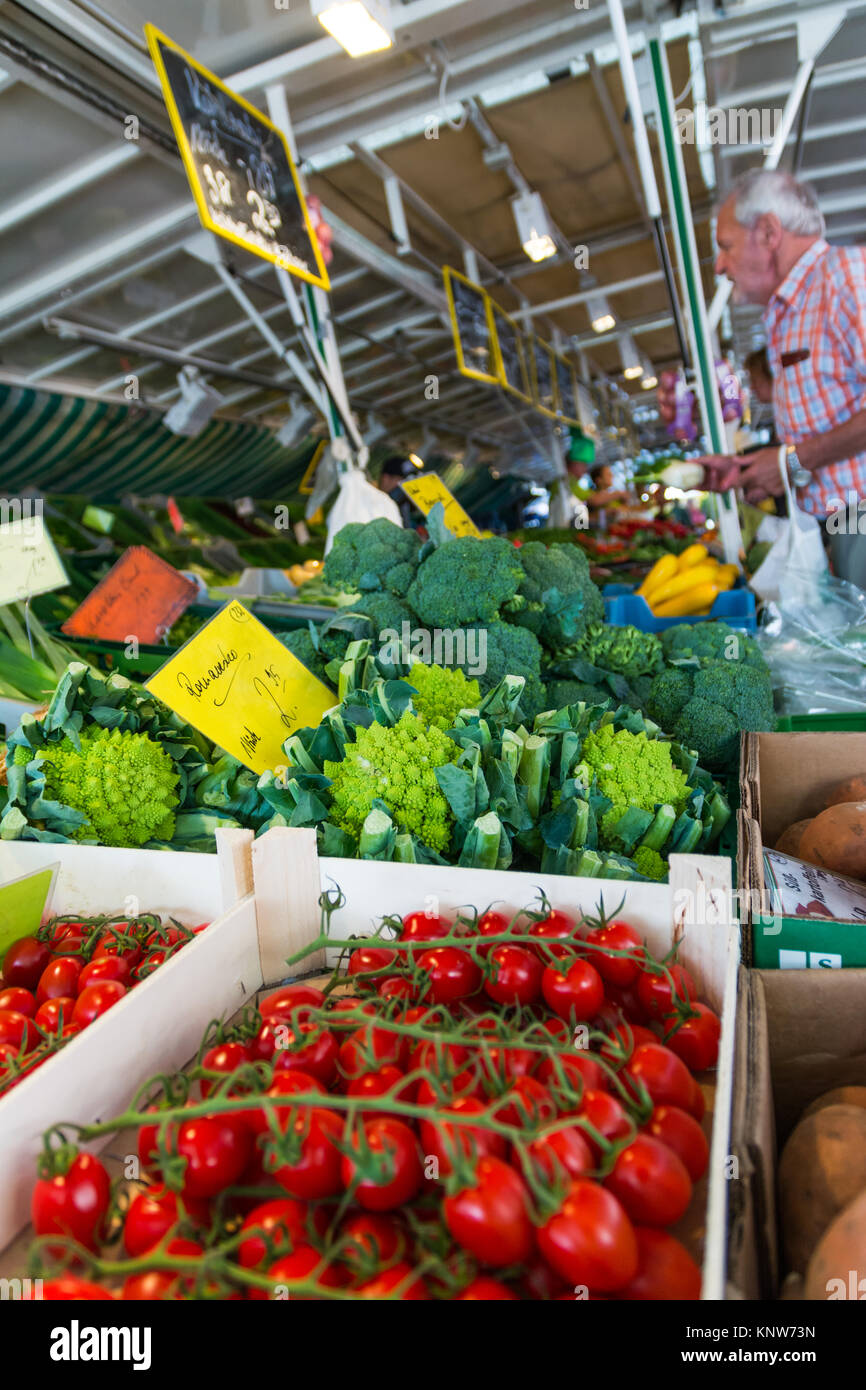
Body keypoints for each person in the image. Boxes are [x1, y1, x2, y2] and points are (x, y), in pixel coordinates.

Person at [698, 168, 866, 587]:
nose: (719, 265)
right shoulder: (789, 309)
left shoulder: (846, 277)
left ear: (769, 232)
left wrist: (790, 462)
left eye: (726, 247)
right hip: (835, 526)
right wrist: (754, 466)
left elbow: (805, 452)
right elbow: (824, 423)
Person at [376, 454, 421, 528]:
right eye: (402, 483)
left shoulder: (404, 510)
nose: (406, 490)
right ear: (386, 479)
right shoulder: (370, 503)